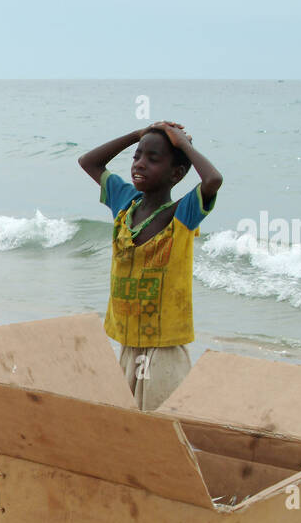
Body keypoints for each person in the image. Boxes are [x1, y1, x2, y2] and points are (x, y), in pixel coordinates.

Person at [77, 122, 222, 410]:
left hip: (164, 346)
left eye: (153, 159)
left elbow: (213, 180)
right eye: (137, 157)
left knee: (163, 419)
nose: (140, 164)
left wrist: (184, 146)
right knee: (127, 418)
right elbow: (89, 161)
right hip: (129, 339)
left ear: (176, 173)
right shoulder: (124, 201)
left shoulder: (181, 213)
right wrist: (136, 135)